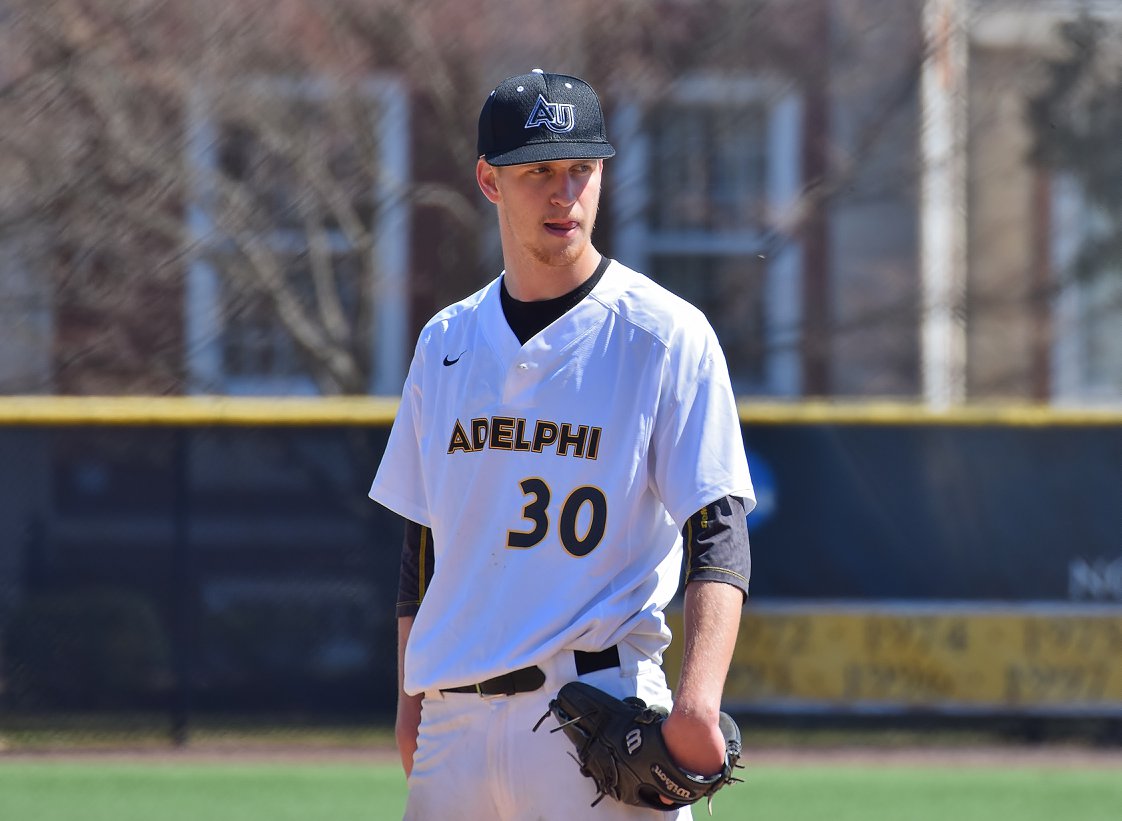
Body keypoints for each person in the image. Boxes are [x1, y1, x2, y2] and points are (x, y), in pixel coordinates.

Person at [368, 68, 755, 820]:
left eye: (582, 168)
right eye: (539, 170)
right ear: (489, 180)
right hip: (453, 723)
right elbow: (421, 540)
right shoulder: (445, 341)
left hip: (596, 717)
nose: (564, 192)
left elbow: (717, 525)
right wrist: (411, 698)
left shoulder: (664, 333)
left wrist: (698, 703)